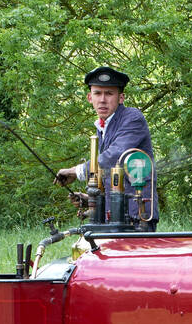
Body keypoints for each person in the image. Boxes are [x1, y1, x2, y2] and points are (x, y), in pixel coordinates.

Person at [55, 65, 158, 230]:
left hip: (137, 218)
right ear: (90, 97)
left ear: (121, 98)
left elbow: (113, 157)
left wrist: (76, 170)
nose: (102, 99)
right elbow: (112, 176)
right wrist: (91, 199)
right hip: (114, 217)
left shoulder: (132, 118)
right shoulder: (103, 127)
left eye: (109, 93)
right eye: (97, 93)